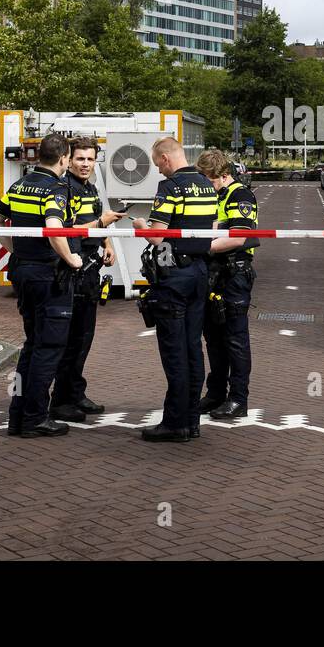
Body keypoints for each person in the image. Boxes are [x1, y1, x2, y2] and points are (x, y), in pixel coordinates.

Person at [0, 133, 81, 439]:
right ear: (64, 158)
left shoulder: (19, 185)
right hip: (47, 276)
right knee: (49, 347)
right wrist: (71, 259)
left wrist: (16, 250)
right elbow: (55, 229)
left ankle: (18, 416)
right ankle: (35, 418)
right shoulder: (56, 188)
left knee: (31, 345)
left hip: (24, 272)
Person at [130, 138, 217, 443]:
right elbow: (212, 227)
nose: (158, 170)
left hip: (175, 275)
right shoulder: (206, 185)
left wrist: (140, 225)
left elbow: (157, 236)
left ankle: (175, 423)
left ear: (165, 158)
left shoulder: (171, 187)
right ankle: (192, 421)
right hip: (200, 272)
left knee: (174, 351)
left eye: (157, 164)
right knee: (194, 347)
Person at [49, 137, 125, 423]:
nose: (85, 164)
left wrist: (107, 244)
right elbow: (66, 230)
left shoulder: (91, 188)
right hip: (72, 270)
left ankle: (75, 392)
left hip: (90, 272)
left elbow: (94, 221)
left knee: (84, 337)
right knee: (70, 339)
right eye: (80, 158)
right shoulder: (64, 189)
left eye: (90, 159)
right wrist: (103, 224)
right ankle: (60, 401)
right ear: (68, 160)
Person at [196, 149, 259, 420]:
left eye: (208, 180)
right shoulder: (217, 195)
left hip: (234, 275)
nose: (205, 187)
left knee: (235, 339)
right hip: (214, 276)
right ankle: (215, 393)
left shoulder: (240, 195)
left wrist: (201, 248)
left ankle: (238, 399)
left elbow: (238, 237)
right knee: (214, 339)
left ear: (222, 176)